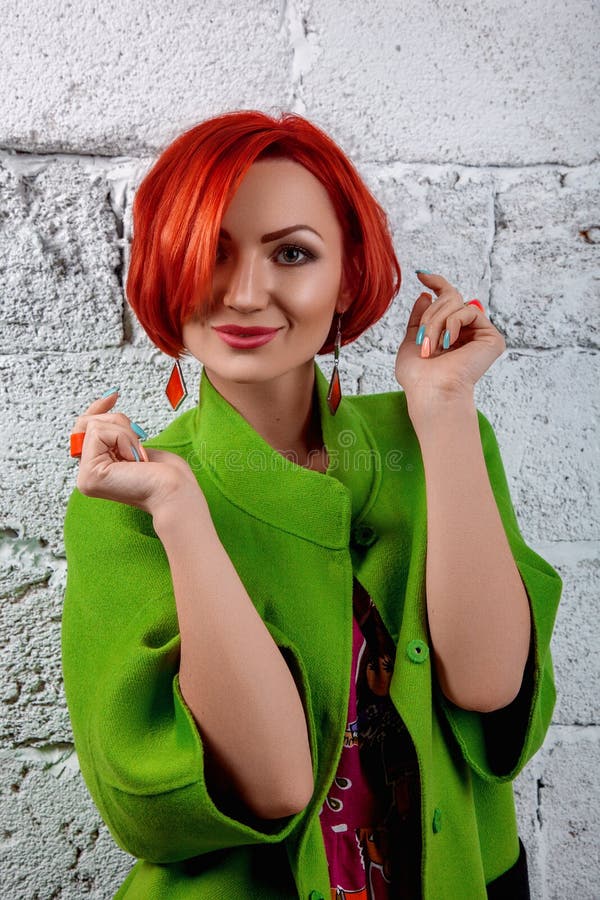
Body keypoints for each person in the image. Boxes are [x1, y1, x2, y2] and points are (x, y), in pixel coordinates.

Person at [61, 110, 563, 900]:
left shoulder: (436, 428)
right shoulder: (125, 496)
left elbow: (489, 685)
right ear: (164, 266)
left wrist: (443, 408)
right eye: (209, 251)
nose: (246, 292)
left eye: (291, 252)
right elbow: (275, 786)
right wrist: (181, 513)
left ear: (348, 278)